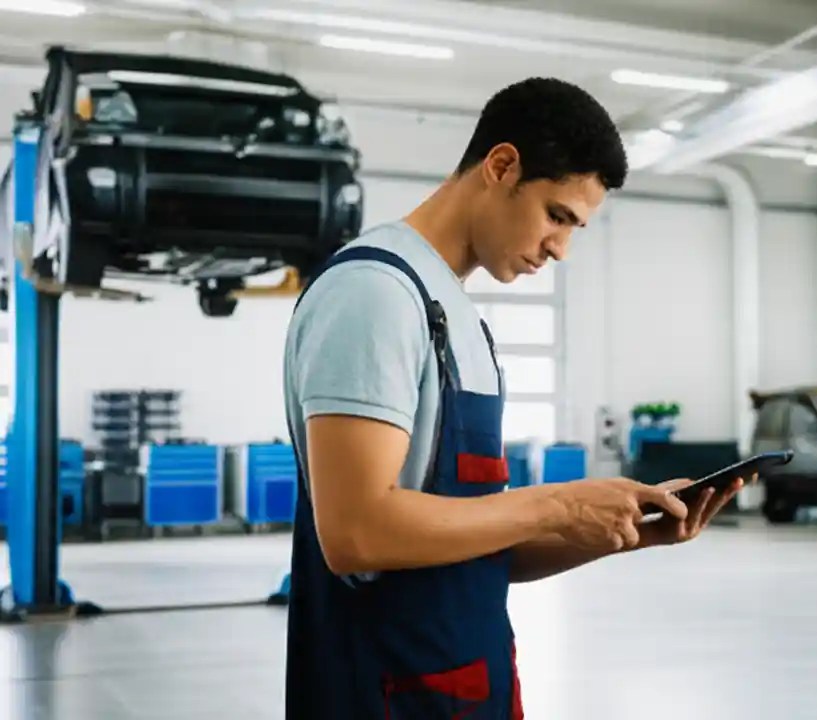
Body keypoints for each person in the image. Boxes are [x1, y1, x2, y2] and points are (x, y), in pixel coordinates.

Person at [282, 78, 745, 720]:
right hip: (385, 689)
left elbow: (475, 546)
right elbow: (357, 532)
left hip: (466, 679)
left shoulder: (456, 315)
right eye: (558, 216)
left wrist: (618, 532)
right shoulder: (374, 293)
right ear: (501, 166)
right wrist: (555, 502)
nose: (561, 248)